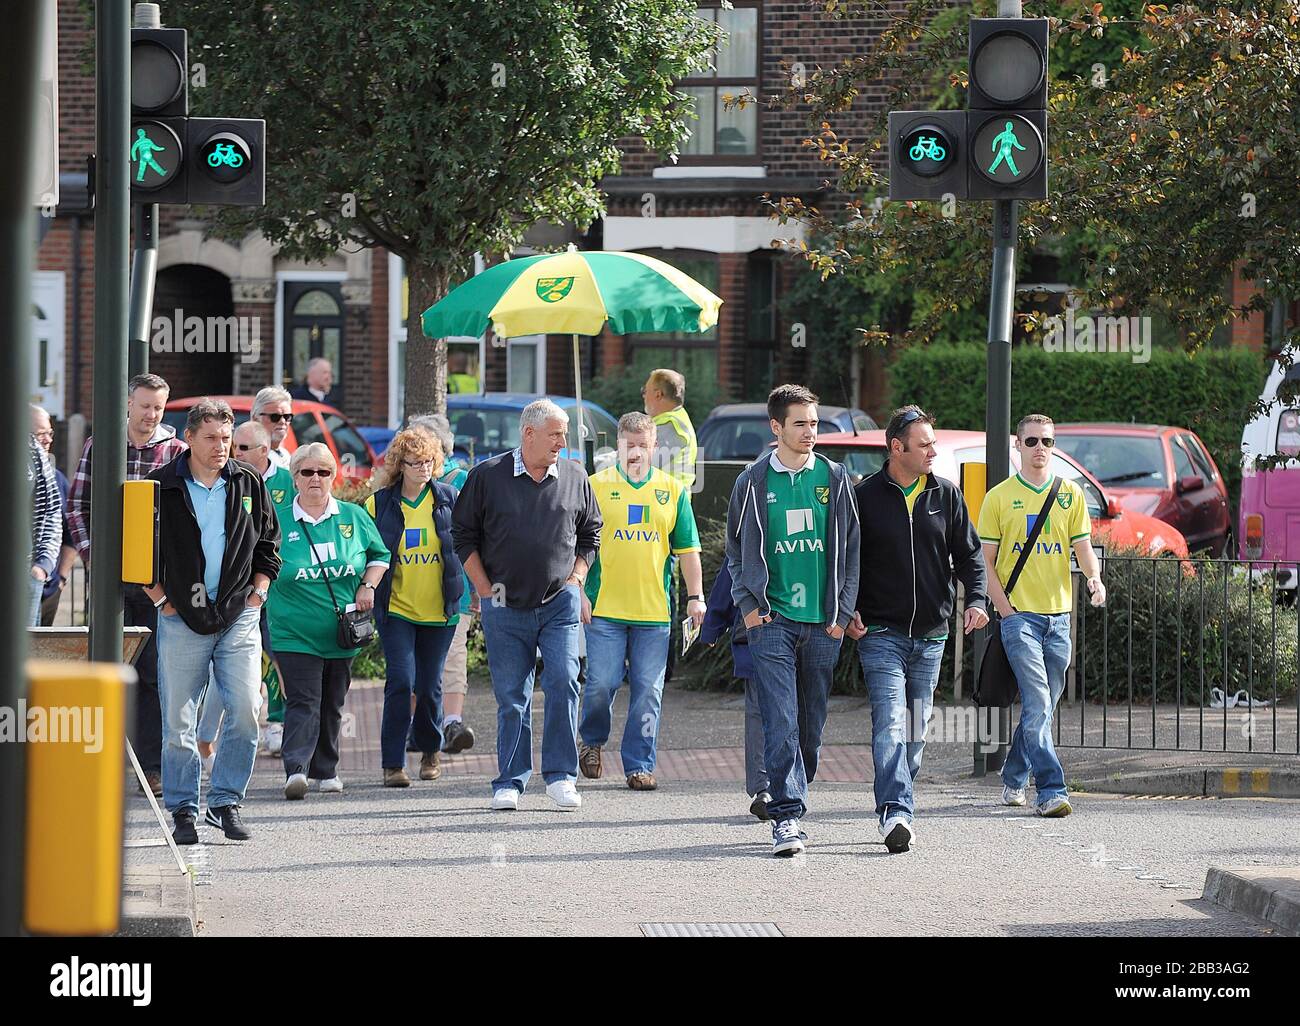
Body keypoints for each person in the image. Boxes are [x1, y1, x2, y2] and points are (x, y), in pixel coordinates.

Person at [845, 406, 988, 853]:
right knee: (889, 723)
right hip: (880, 634)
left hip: (931, 635)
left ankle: (898, 797)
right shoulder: (864, 496)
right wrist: (846, 608)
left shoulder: (945, 494)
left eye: (933, 442)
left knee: (917, 732)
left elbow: (970, 556)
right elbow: (844, 561)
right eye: (924, 444)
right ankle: (896, 812)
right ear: (896, 447)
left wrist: (979, 600)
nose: (933, 450)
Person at [725, 384, 860, 857]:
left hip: (823, 624)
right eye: (800, 423)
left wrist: (842, 615)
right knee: (779, 718)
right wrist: (749, 608)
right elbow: (736, 553)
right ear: (776, 427)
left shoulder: (837, 478)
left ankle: (794, 788)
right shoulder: (752, 482)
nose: (810, 432)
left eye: (814, 423)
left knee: (811, 726)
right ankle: (787, 818)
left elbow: (852, 554)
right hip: (772, 621)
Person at [452, 399, 601, 812]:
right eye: (554, 433)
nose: (562, 441)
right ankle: (510, 781)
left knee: (564, 684)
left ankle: (560, 776)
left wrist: (577, 579)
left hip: (560, 602)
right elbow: (462, 534)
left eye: (565, 433)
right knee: (513, 696)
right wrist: (483, 590)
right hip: (503, 603)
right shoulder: (487, 476)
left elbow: (592, 532)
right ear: (528, 434)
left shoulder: (575, 475)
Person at [144, 400, 281, 845]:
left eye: (227, 438)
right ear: (189, 439)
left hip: (238, 615)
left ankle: (224, 802)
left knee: (245, 710)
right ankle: (184, 808)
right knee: (179, 722)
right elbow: (135, 552)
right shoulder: (159, 486)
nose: (222, 447)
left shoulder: (249, 482)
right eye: (212, 438)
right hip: (181, 617)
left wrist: (258, 594)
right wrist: (162, 599)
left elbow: (269, 543)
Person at [978, 414, 1106, 818]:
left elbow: (1082, 546)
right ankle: (1051, 789)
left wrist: (1095, 579)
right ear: (1017, 445)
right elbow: (986, 564)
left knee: (1042, 708)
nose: (1039, 448)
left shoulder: (1070, 494)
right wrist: (1006, 611)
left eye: (1046, 442)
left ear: (1054, 446)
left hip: (1059, 619)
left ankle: (1014, 776)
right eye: (1031, 441)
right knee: (1037, 700)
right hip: (1021, 619)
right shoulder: (999, 497)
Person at [68, 372, 188, 796]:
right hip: (109, 582)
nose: (151, 415)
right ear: (129, 405)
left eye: (158, 407)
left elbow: (186, 519)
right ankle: (104, 763)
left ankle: (150, 768)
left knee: (154, 675)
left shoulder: (177, 451)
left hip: (157, 584)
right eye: (145, 406)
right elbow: (77, 507)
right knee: (106, 669)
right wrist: (91, 557)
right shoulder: (101, 446)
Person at [577, 412, 705, 791]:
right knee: (601, 683)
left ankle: (638, 764)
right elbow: (578, 544)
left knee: (649, 689)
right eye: (628, 445)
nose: (635, 452)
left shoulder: (673, 490)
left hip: (654, 613)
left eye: (642, 446)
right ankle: (593, 742)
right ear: (617, 445)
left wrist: (696, 597)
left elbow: (688, 551)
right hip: (605, 609)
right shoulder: (595, 486)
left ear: (654, 448)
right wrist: (578, 589)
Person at [267, 442, 389, 800]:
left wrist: (368, 584)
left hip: (341, 631)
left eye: (323, 471)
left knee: (333, 701)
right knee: (304, 699)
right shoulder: (277, 518)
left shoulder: (352, 517)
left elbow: (379, 555)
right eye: (307, 472)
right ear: (295, 478)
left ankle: (327, 768)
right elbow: (257, 561)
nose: (316, 478)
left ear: (334, 476)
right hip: (293, 631)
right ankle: (296, 769)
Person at [363, 429, 464, 786]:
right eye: (415, 463)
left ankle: (430, 749)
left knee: (429, 685)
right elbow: (369, 553)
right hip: (397, 609)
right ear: (399, 465)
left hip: (440, 610)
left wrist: (477, 591)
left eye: (428, 462)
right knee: (401, 680)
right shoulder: (379, 503)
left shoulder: (448, 498)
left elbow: (465, 548)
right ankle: (393, 763)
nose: (423, 469)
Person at [408, 413, 476, 752]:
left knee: (418, 658)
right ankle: (448, 723)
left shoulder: (456, 481)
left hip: (439, 588)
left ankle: (427, 726)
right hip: (456, 587)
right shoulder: (463, 479)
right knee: (451, 656)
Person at [700, 561, 770, 820]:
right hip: (755, 637)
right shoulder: (752, 525)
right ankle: (763, 788)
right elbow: (731, 573)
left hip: (801, 635)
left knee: (798, 718)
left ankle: (787, 783)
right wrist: (712, 626)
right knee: (758, 716)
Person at [31, 406, 78, 627]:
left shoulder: (56, 480)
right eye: (41, 434)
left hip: (48, 589)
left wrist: (61, 577)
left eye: (50, 433)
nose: (48, 439)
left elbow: (69, 533)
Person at [642, 369, 697, 491]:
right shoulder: (674, 421)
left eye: (645, 391)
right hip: (666, 501)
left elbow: (642, 463)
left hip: (668, 502)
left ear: (658, 394)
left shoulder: (672, 426)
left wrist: (600, 462)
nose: (644, 396)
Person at [27, 430, 61, 627]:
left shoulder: (31, 447)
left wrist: (44, 564)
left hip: (25, 577)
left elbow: (52, 509)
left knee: (25, 654)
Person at [252, 385, 294, 470]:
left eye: (287, 417)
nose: (282, 421)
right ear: (256, 419)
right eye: (274, 417)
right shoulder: (251, 456)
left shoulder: (284, 453)